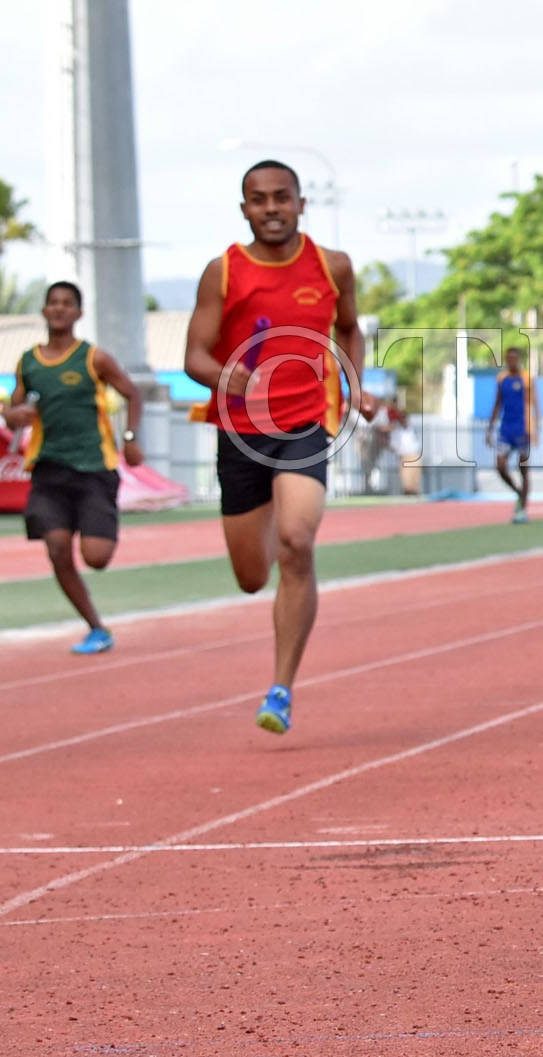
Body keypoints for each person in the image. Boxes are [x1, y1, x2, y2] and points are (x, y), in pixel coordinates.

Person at [184, 159, 374, 735]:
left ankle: (281, 688)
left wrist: (355, 385)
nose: (272, 208)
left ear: (300, 203)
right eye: (259, 199)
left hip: (304, 424)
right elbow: (194, 356)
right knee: (250, 576)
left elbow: (349, 328)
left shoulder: (332, 266)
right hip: (240, 431)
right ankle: (267, 514)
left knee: (297, 542)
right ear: (245, 208)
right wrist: (225, 376)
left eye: (281, 197)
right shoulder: (222, 272)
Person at [2, 281, 145, 655]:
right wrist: (12, 416)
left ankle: (96, 523)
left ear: (79, 313)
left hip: (94, 466)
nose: (59, 308)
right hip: (49, 468)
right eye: (53, 302)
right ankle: (96, 627)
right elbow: (14, 409)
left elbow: (133, 393)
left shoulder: (94, 358)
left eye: (67, 303)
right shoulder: (28, 362)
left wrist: (130, 437)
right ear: (44, 311)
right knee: (57, 548)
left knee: (96, 557)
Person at [486, 347, 535, 522]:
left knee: (523, 469)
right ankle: (518, 491)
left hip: (522, 429)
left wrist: (535, 428)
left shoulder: (526, 378)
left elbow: (534, 403)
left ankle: (522, 508)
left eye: (514, 358)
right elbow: (497, 403)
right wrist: (490, 428)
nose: (511, 361)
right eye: (509, 359)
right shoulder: (502, 379)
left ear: (519, 359)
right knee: (500, 465)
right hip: (506, 429)